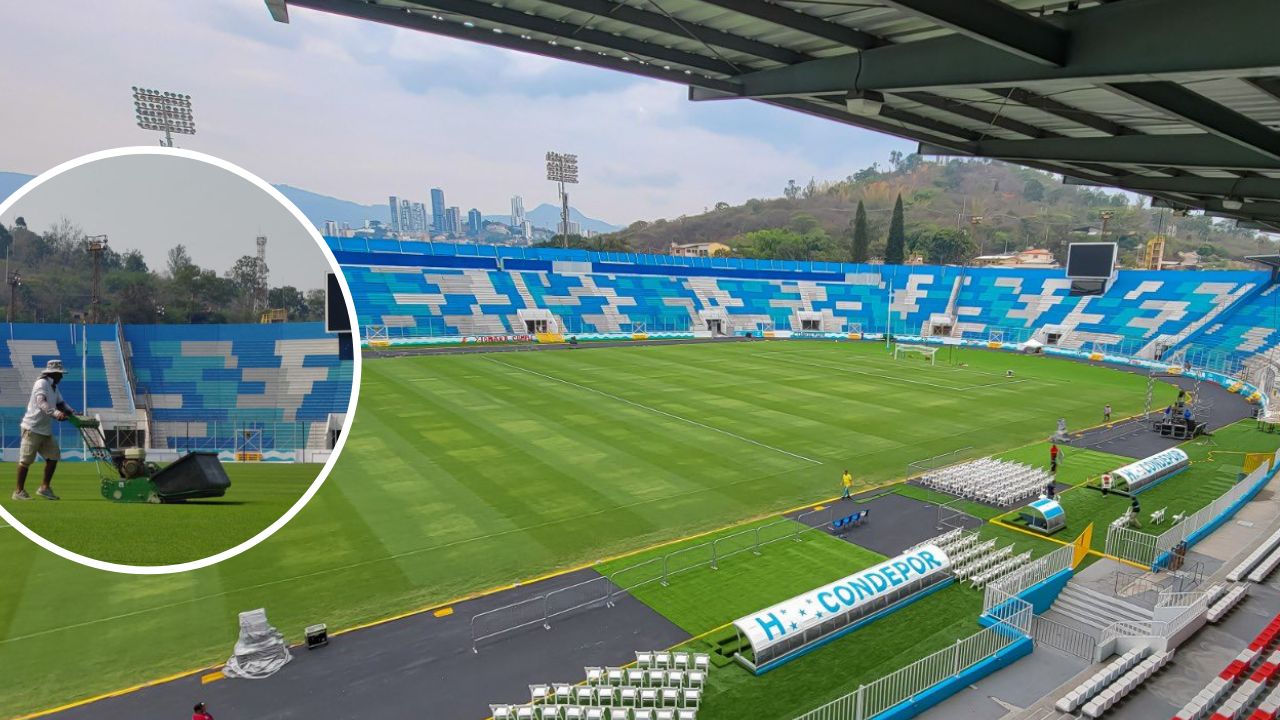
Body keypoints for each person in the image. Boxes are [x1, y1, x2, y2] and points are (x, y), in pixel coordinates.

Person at [13, 359, 75, 501]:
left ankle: (44, 488)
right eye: (60, 374)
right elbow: (41, 402)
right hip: (32, 428)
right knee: (26, 460)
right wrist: (56, 414)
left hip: (45, 429)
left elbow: (61, 403)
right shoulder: (41, 383)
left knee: (54, 456)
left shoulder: (54, 386)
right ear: (53, 373)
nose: (62, 376)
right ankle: (18, 491)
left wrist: (71, 411)